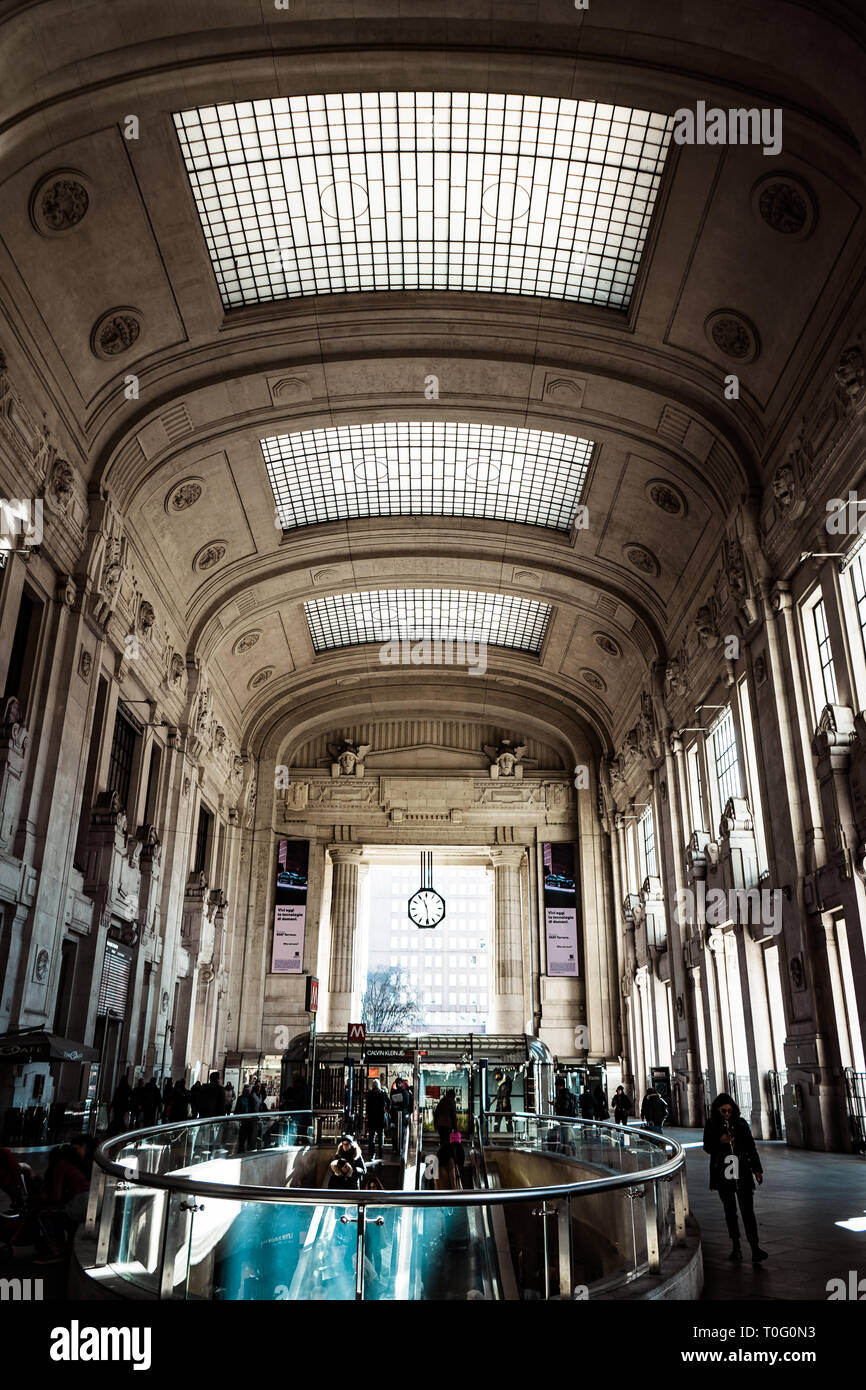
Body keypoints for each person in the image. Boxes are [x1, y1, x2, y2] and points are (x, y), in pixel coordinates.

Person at [704, 1093, 768, 1263]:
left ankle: (755, 1247)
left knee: (748, 1211)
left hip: (743, 1172)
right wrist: (720, 1141)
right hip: (723, 1173)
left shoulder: (740, 1124)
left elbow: (750, 1147)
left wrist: (757, 1169)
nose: (727, 1114)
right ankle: (736, 1246)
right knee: (730, 1211)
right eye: (723, 1111)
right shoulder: (712, 1125)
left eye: (729, 1111)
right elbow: (708, 1147)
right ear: (717, 1110)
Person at [366, 1079, 389, 1158]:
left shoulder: (369, 1094)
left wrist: (367, 1114)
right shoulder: (383, 1093)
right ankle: (380, 1153)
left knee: (371, 1138)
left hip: (372, 1119)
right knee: (380, 1137)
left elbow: (368, 1106)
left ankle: (371, 1153)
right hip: (380, 1118)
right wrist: (386, 1110)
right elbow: (389, 1103)